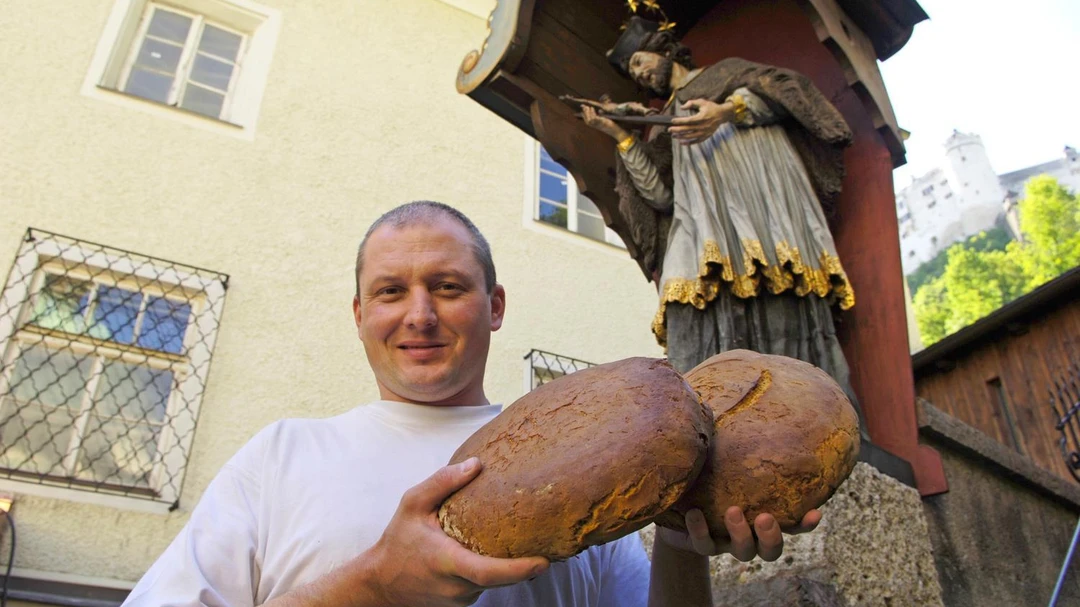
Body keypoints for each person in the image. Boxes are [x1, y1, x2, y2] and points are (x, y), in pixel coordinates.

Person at [121, 201, 819, 607]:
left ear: (496, 306)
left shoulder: (590, 461)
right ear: (359, 313)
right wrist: (373, 581)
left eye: (448, 286)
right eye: (391, 292)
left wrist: (679, 534)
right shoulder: (282, 454)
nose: (418, 315)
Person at [580, 17, 867, 434]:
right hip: (700, 223)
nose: (640, 74)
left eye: (641, 62)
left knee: (777, 298)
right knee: (684, 306)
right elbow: (659, 198)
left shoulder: (725, 74)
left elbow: (789, 93)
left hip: (759, 208)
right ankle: (702, 424)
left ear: (665, 50)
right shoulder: (665, 119)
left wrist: (727, 111)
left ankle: (816, 418)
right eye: (633, 72)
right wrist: (621, 135)